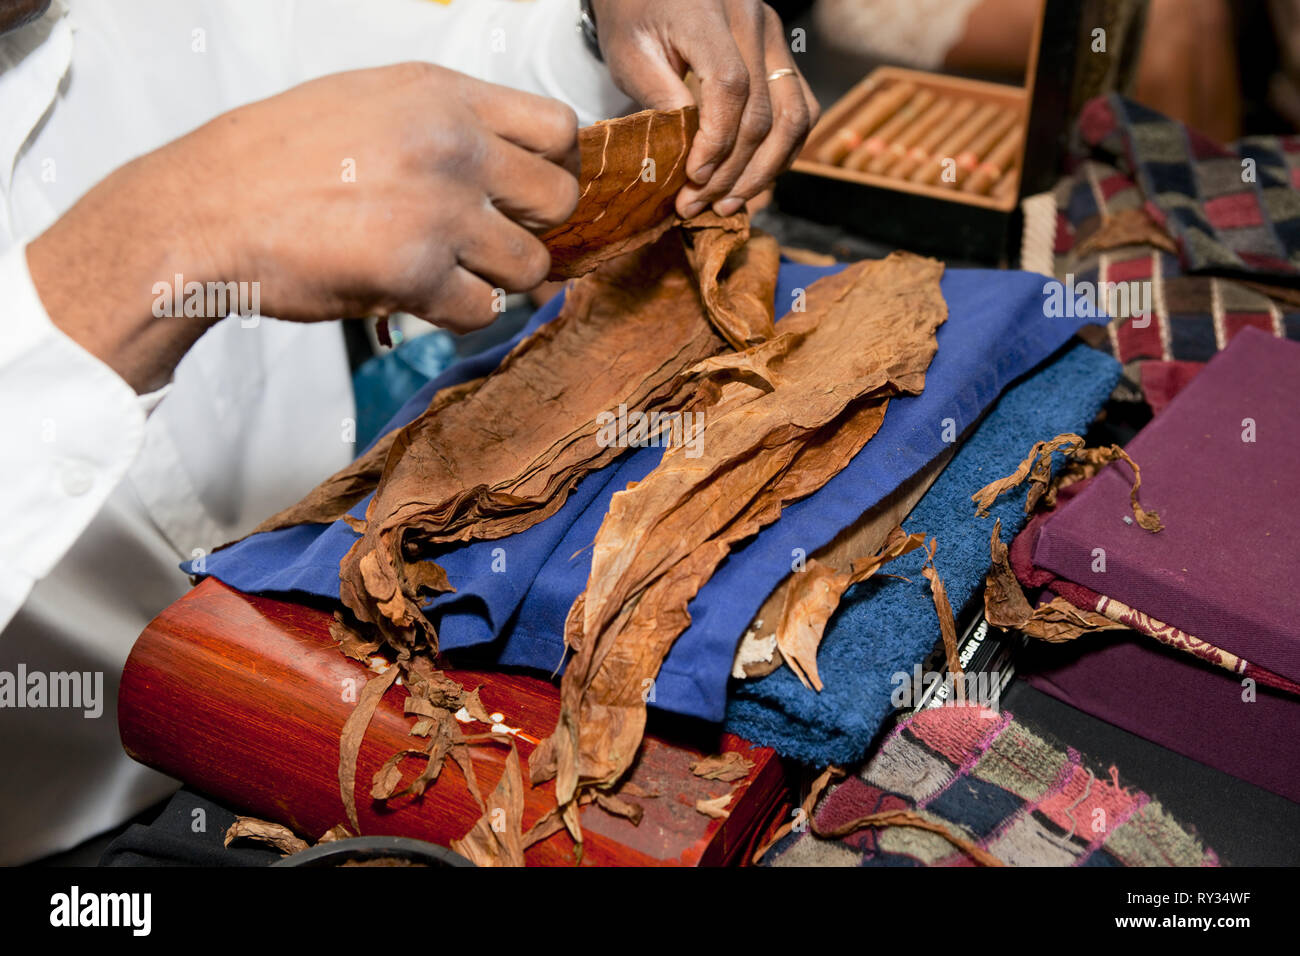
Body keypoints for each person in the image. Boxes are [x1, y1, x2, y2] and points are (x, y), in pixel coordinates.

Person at [0, 0, 817, 864]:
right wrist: (152, 247)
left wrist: (597, 27)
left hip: (352, 625)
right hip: (62, 824)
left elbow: (415, 93)